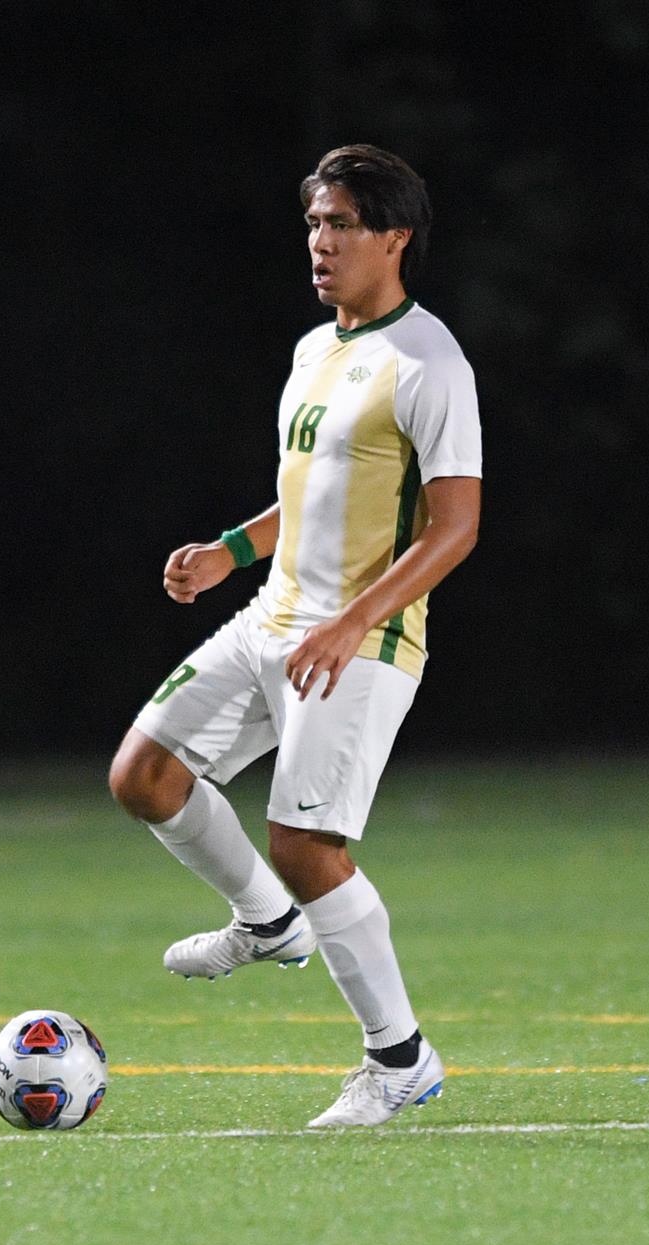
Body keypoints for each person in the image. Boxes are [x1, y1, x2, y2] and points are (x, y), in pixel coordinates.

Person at [107, 144, 483, 1128]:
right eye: (314, 223)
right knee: (143, 775)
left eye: (342, 224)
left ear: (395, 238)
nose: (320, 242)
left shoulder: (428, 362)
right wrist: (229, 551)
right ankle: (267, 921)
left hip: (363, 639)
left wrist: (354, 619)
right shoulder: (314, 350)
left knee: (307, 843)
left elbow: (455, 527)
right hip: (269, 619)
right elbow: (310, 494)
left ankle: (398, 1059)